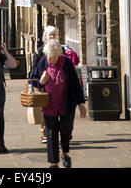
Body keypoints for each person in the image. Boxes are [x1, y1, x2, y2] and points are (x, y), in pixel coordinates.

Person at [39, 39, 86, 168]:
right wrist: (41, 81)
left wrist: (81, 103)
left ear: (59, 54)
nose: (51, 60)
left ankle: (65, 153)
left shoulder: (67, 63)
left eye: (53, 57)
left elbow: (76, 84)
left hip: (67, 103)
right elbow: (34, 79)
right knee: (51, 133)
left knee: (66, 130)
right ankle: (53, 162)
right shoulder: (43, 62)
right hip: (49, 105)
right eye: (49, 57)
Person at [30, 25, 58, 143]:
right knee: (43, 110)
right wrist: (31, 84)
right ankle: (44, 133)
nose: (51, 36)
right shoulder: (40, 51)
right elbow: (34, 69)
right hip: (41, 85)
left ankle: (55, 131)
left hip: (56, 85)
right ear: (45, 36)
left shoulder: (60, 50)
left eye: (53, 34)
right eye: (49, 34)